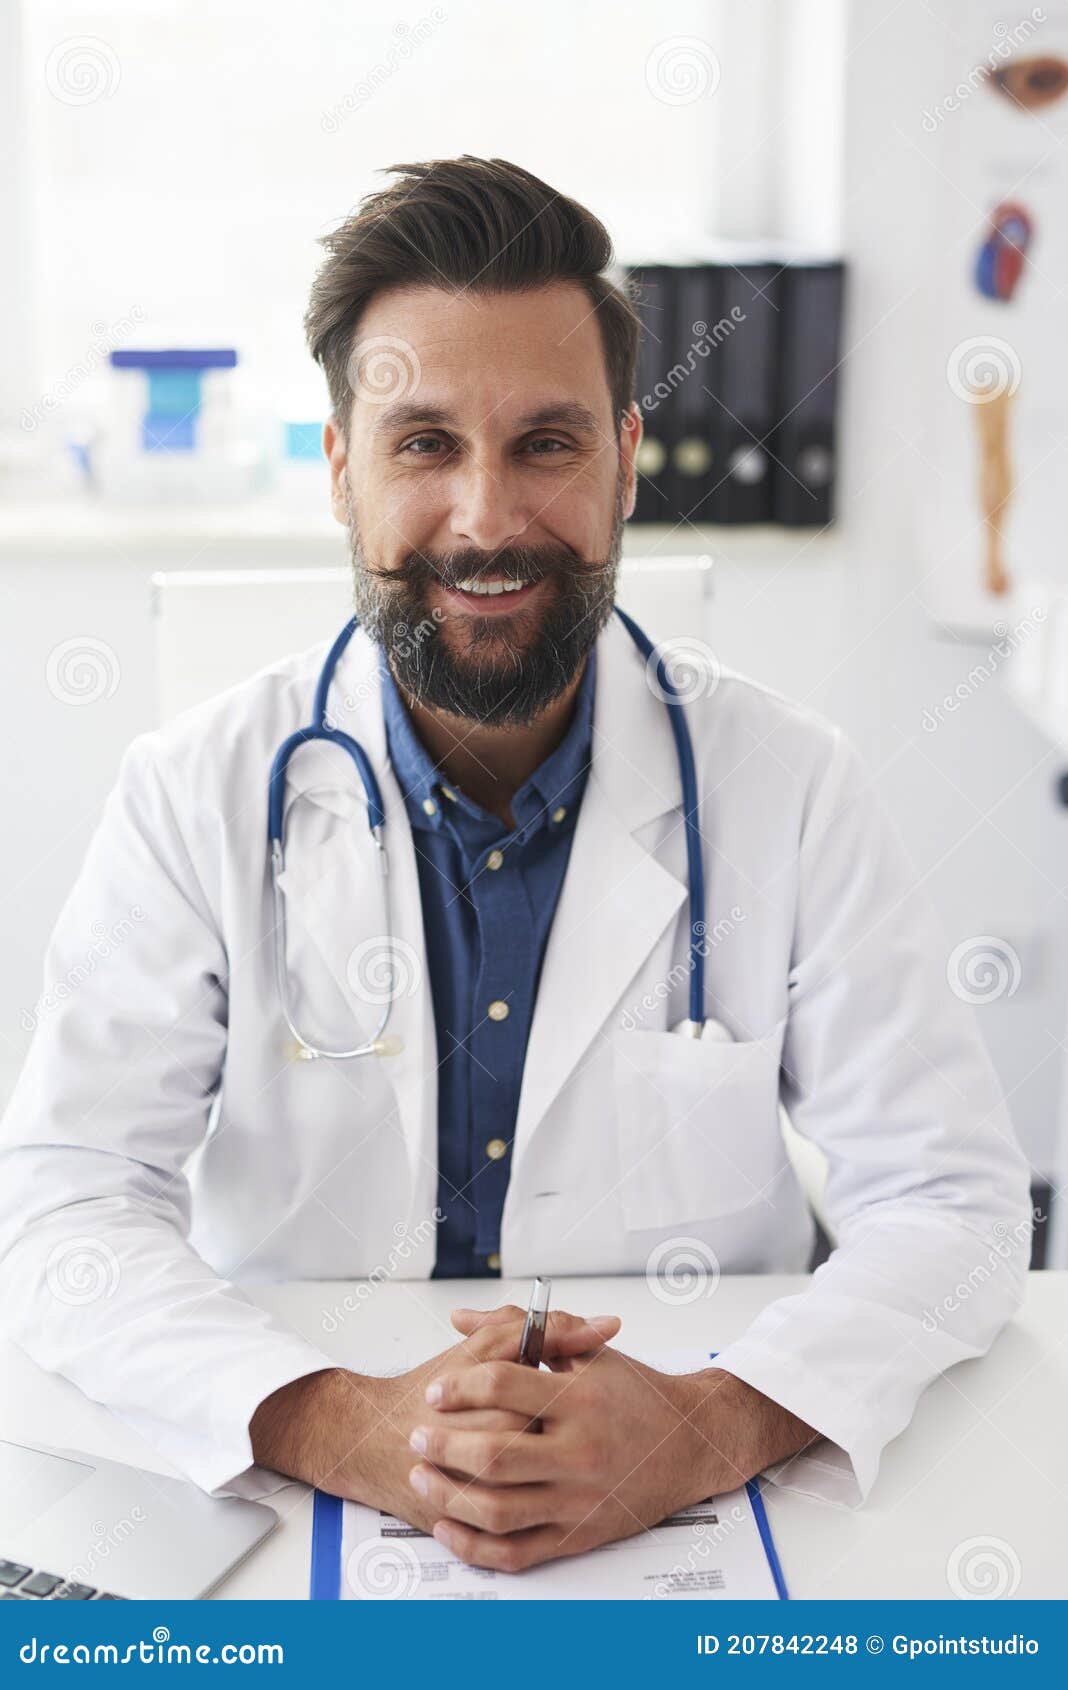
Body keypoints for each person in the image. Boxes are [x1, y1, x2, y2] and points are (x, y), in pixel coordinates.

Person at [0, 156, 1031, 1575]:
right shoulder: (195, 793)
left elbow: (956, 1205)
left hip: (707, 1504)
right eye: (425, 442)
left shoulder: (790, 786)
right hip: (298, 1493)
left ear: (625, 456)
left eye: (546, 443)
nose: (487, 519)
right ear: (341, 468)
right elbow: (64, 1203)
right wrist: (346, 1422)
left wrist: (708, 1424)